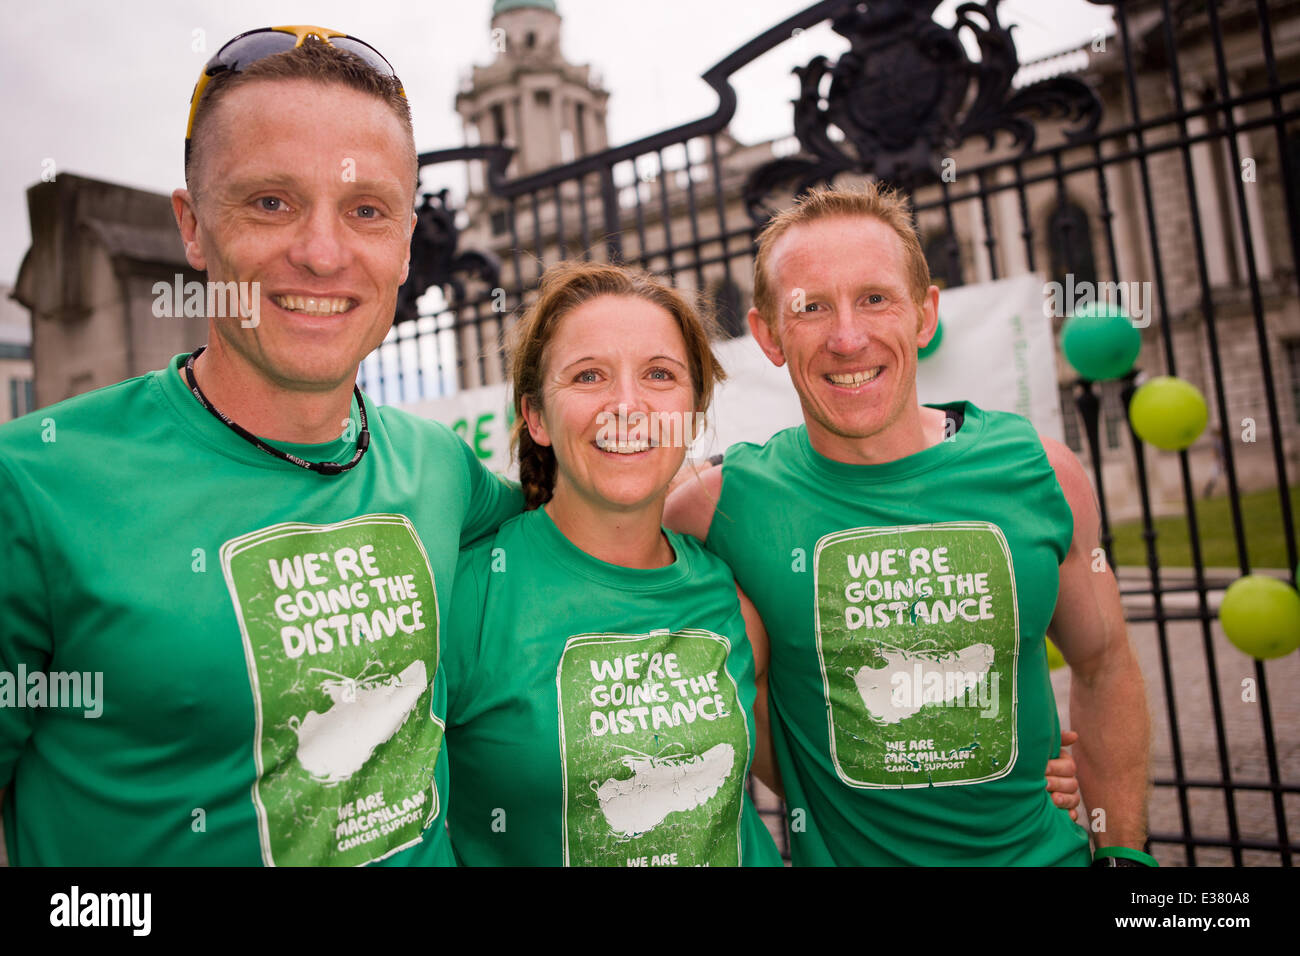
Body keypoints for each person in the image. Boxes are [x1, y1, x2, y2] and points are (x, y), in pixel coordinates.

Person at [0, 27, 521, 866]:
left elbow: (593, 522)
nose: (321, 253)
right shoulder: (30, 485)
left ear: (402, 245)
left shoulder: (442, 468)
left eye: (365, 211)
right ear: (194, 228)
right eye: (271, 202)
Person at [666, 183, 1151, 866]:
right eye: (811, 308)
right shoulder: (715, 506)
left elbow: (1104, 667)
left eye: (875, 298)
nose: (846, 337)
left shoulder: (1045, 473)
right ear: (768, 335)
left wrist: (1126, 856)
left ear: (924, 315)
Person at [441, 262, 783, 866]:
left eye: (659, 374)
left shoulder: (731, 599)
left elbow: (831, 788)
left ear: (694, 413)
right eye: (589, 376)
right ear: (537, 417)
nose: (627, 405)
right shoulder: (469, 598)